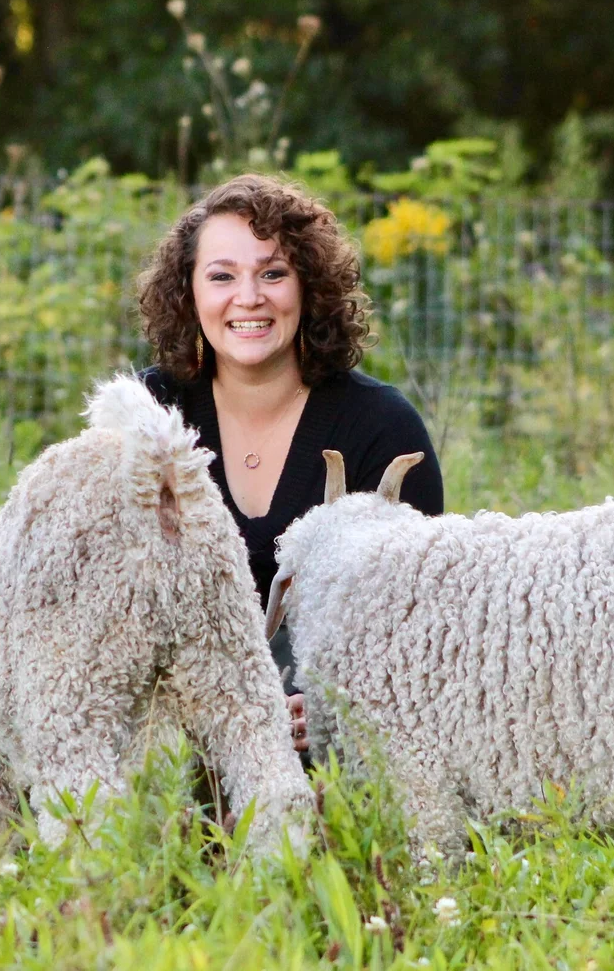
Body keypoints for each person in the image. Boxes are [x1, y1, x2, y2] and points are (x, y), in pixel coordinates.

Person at [136, 174, 444, 755]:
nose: (248, 297)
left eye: (272, 273)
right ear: (188, 291)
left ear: (309, 288)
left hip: (331, 746)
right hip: (170, 732)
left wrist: (333, 701)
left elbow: (420, 621)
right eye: (222, 275)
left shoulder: (382, 428)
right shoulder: (148, 415)